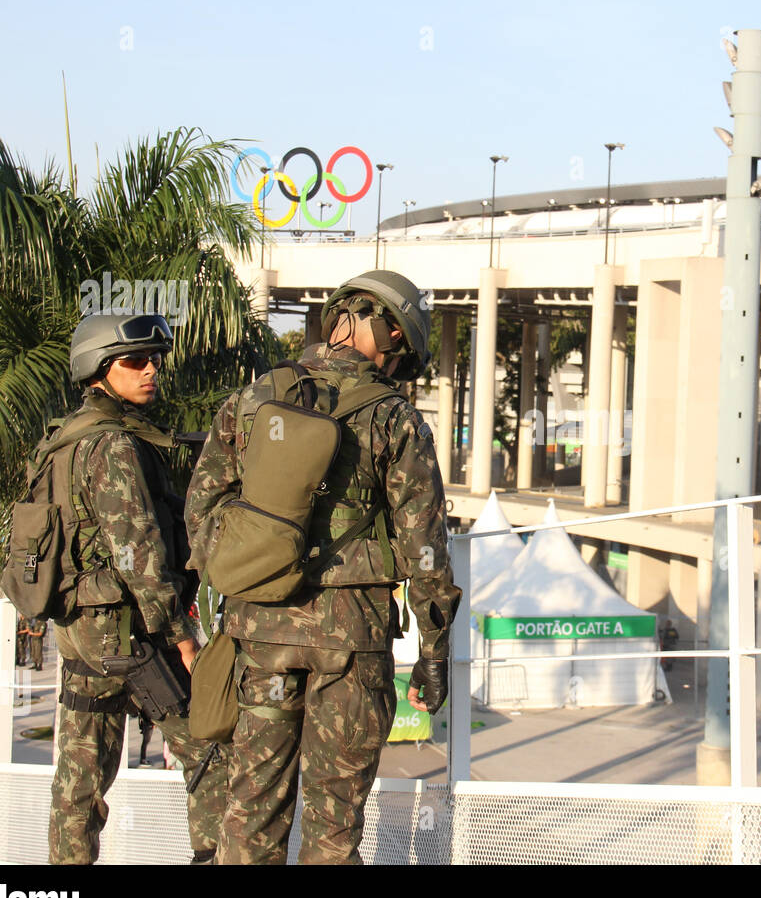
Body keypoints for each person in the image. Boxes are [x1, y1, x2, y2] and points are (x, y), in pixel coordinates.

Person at [187, 270, 461, 864]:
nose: (395, 365)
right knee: (334, 828)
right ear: (380, 329)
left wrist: (247, 581)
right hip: (352, 641)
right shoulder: (396, 419)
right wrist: (435, 652)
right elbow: (427, 551)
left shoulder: (254, 399)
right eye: (398, 346)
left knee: (251, 815)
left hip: (259, 634)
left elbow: (202, 511)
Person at [44, 310, 229, 865]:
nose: (151, 370)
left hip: (82, 637)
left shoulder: (63, 440)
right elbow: (138, 551)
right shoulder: (114, 446)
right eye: (134, 361)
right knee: (209, 752)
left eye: (155, 360)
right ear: (100, 369)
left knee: (79, 780)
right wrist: (183, 638)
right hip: (133, 635)